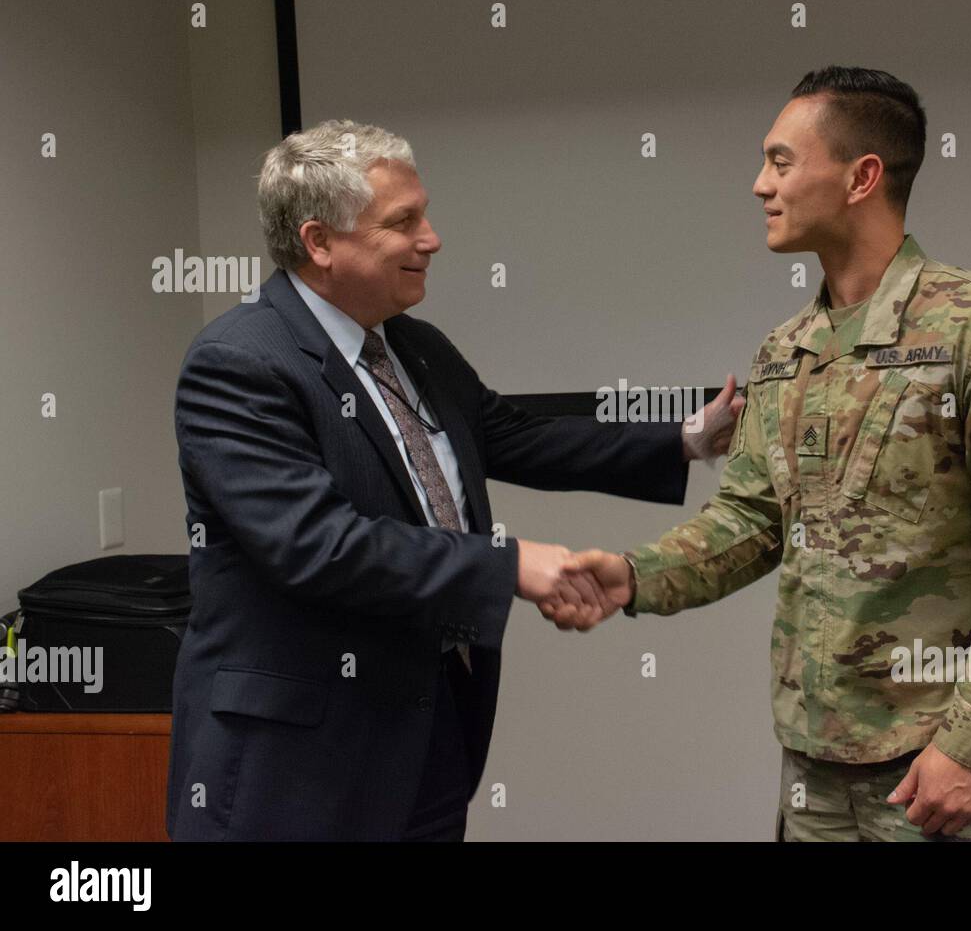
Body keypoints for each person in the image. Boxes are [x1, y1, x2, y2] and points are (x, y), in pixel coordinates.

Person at [555, 67, 971, 842]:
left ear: (861, 177)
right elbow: (752, 521)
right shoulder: (785, 352)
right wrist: (634, 577)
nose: (758, 186)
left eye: (780, 161)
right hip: (816, 778)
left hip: (939, 778)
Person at [167, 120, 742, 841]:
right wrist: (510, 566)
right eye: (403, 222)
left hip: (427, 729)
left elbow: (518, 437)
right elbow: (318, 545)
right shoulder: (238, 362)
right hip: (296, 762)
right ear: (319, 243)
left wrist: (686, 440)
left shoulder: (413, 345)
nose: (431, 238)